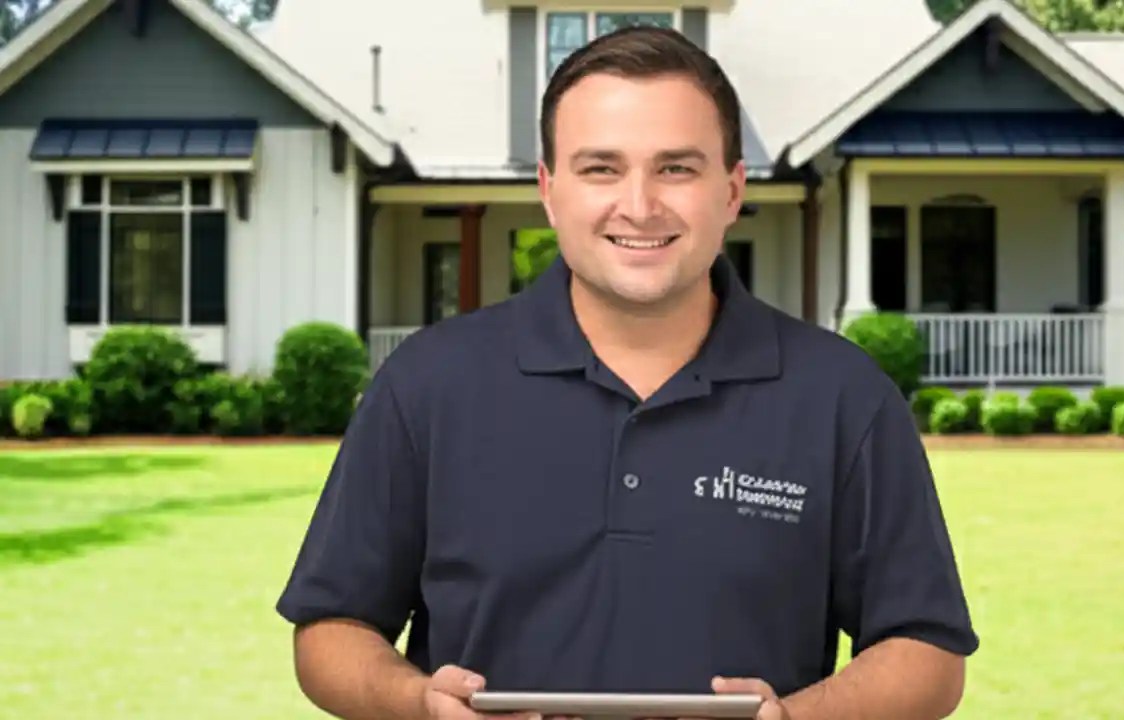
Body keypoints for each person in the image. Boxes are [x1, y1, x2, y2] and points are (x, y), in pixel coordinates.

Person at [276, 25, 978, 720]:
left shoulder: (843, 397)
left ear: (731, 191)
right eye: (601, 168)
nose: (639, 206)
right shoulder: (427, 385)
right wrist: (415, 702)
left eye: (676, 167)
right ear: (550, 191)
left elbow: (928, 654)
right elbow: (331, 631)